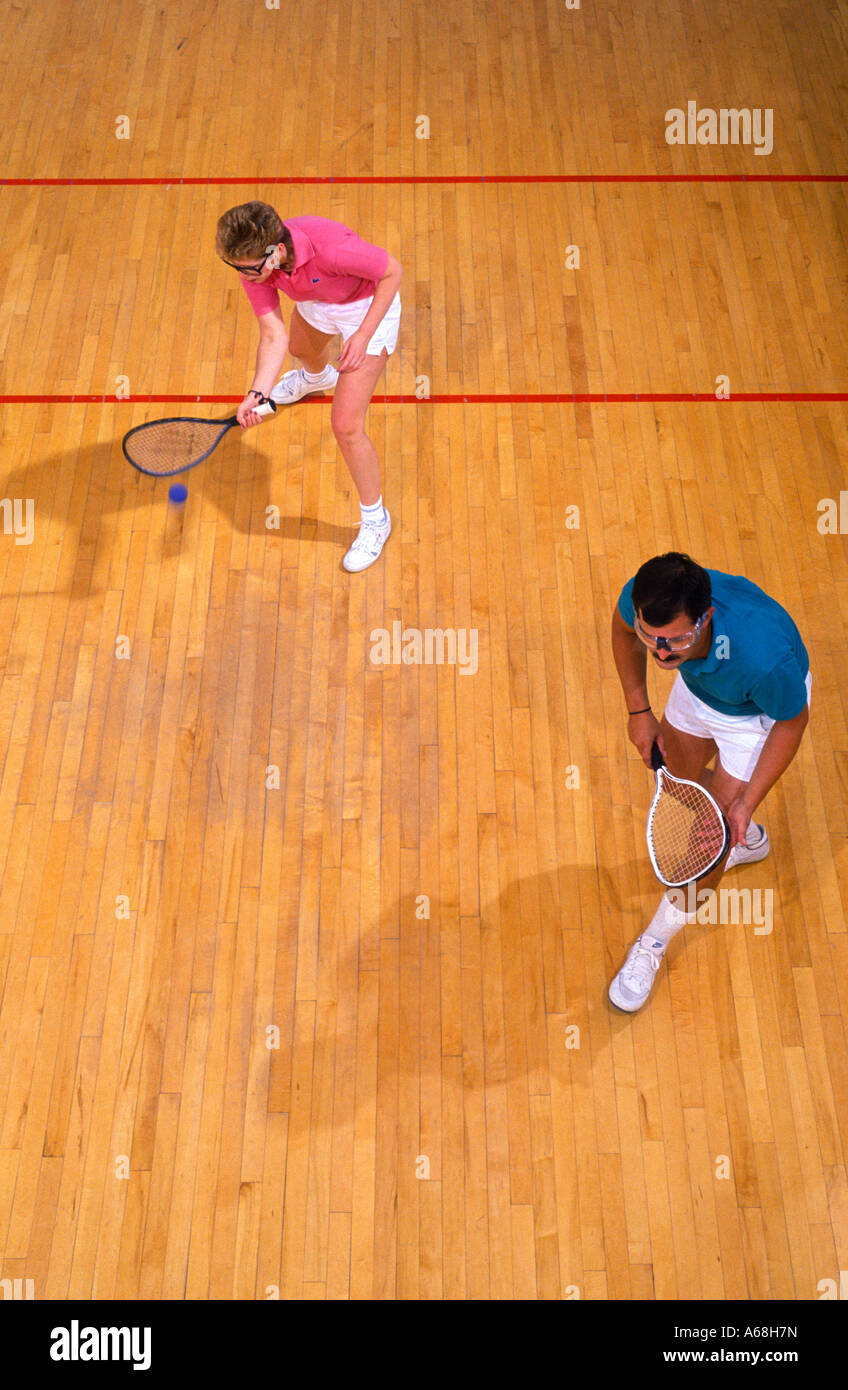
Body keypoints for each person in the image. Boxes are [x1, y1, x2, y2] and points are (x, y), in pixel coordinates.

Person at [609, 552, 811, 1012]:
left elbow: (792, 723)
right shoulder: (647, 602)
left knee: (707, 844)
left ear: (707, 617)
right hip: (701, 694)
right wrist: (638, 710)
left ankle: (653, 942)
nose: (661, 652)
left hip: (758, 718)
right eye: (652, 637)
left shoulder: (764, 659)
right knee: (677, 779)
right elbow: (623, 630)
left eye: (675, 639)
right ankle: (750, 841)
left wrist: (745, 802)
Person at [215, 202, 402, 572]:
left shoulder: (331, 250)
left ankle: (376, 521)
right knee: (301, 348)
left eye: (247, 268)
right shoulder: (255, 265)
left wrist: (363, 336)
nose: (242, 275)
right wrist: (258, 393)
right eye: (235, 267)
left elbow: (392, 272)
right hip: (319, 300)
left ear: (276, 251)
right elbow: (272, 335)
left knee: (346, 427)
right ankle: (315, 379)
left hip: (366, 309)